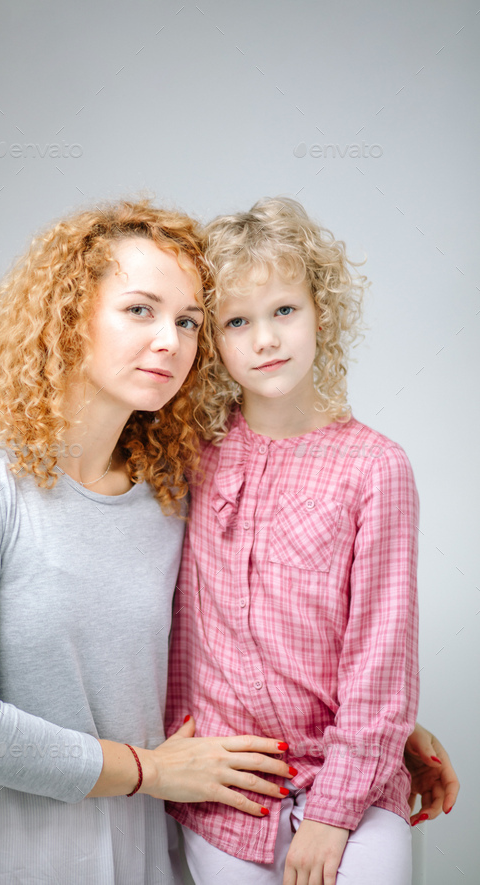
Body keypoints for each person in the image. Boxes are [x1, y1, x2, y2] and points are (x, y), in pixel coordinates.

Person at [0, 197, 457, 885]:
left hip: (129, 829)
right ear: (70, 316)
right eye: (140, 310)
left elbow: (265, 622)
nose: (170, 339)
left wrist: (387, 730)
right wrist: (153, 769)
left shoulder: (164, 484)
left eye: (188, 320)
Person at [164, 197, 454, 884]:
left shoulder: (375, 467)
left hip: (346, 780)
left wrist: (333, 812)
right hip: (223, 791)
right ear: (213, 340)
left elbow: (381, 652)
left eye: (284, 310)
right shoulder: (189, 458)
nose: (265, 339)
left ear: (321, 310)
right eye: (238, 321)